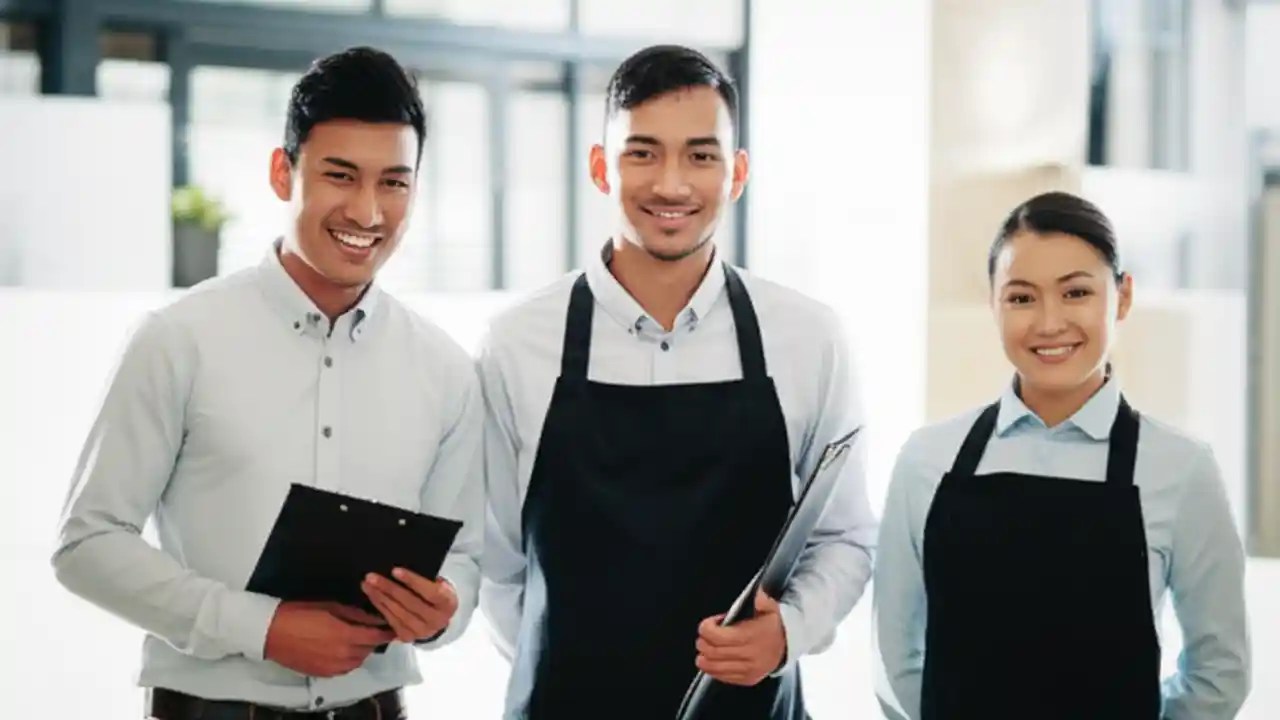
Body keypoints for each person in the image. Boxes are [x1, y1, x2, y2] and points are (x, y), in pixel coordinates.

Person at [52, 47, 484, 720]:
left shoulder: (447, 370)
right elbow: (86, 544)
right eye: (341, 175)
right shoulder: (178, 339)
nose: (368, 212)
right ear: (284, 173)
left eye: (394, 183)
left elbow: (464, 556)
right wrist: (260, 627)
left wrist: (442, 609)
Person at [477, 44, 877, 719]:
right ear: (601, 167)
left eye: (700, 155)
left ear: (737, 173)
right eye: (643, 153)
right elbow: (496, 563)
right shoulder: (518, 342)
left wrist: (788, 632)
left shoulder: (810, 338)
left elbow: (845, 537)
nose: (671, 184)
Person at [873, 191, 1251, 719]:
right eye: (1022, 298)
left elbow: (1220, 672)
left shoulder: (1182, 470)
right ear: (993, 304)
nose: (1049, 323)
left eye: (1075, 293)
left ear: (1121, 298)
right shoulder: (926, 461)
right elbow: (894, 657)